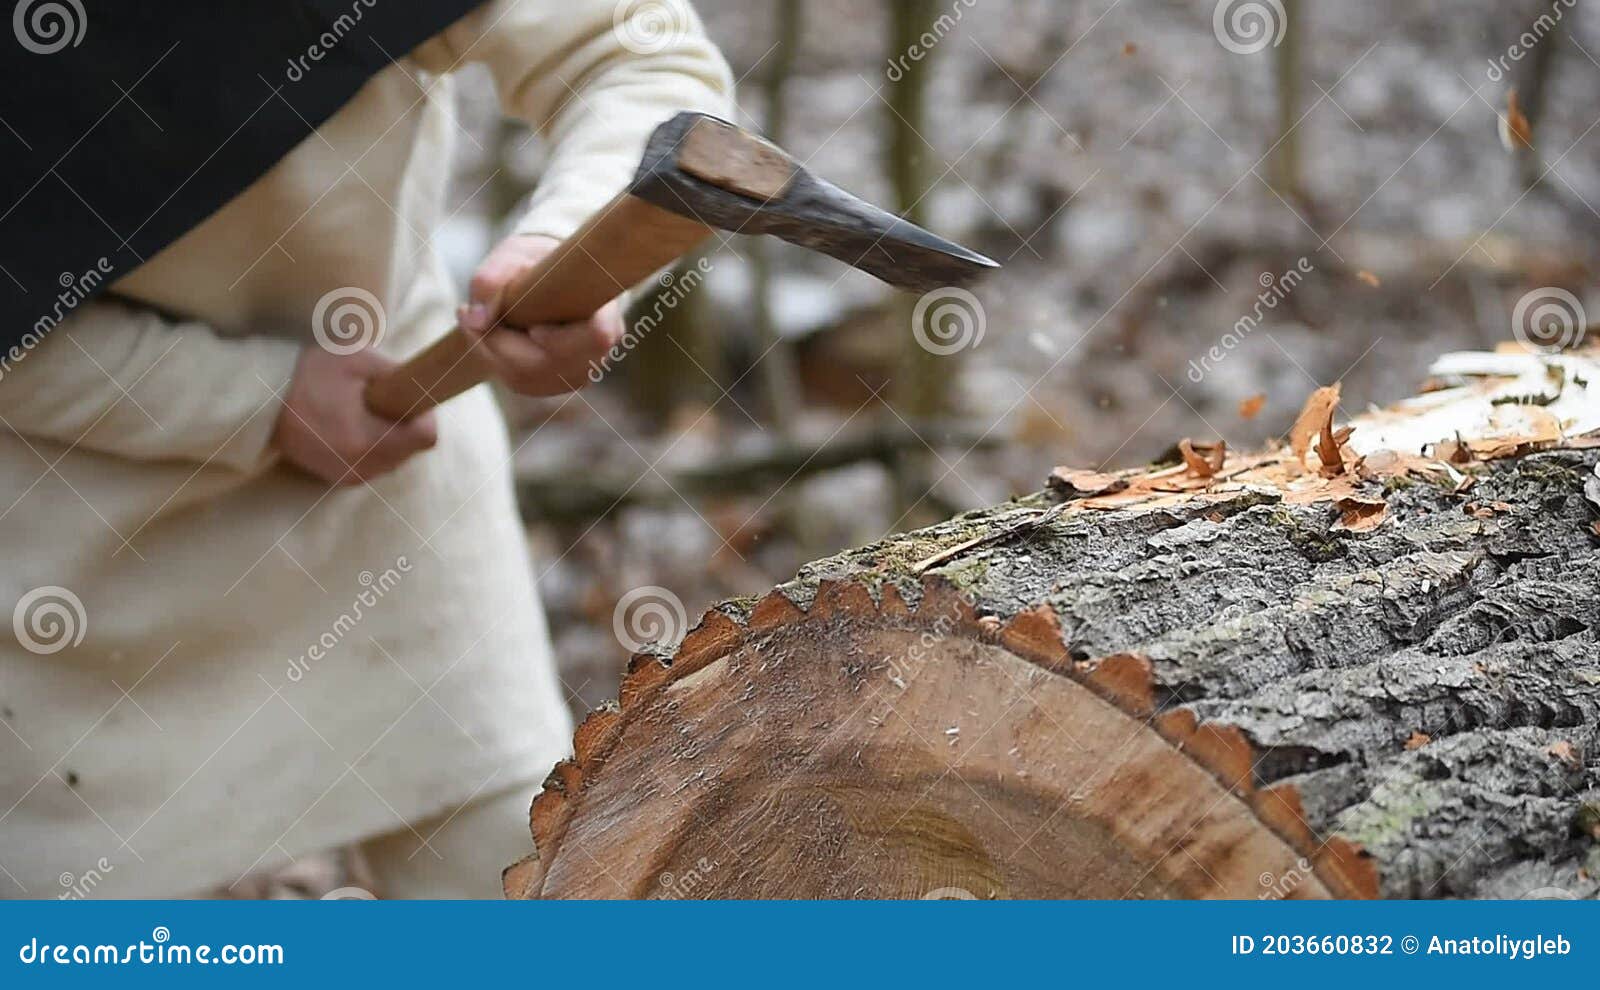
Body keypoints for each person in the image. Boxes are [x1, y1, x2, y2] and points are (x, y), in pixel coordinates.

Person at [0, 0, 733, 898]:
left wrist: (573, 248)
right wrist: (258, 402)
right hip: (74, 557)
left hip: (397, 501)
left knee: (515, 889)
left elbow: (634, 52)